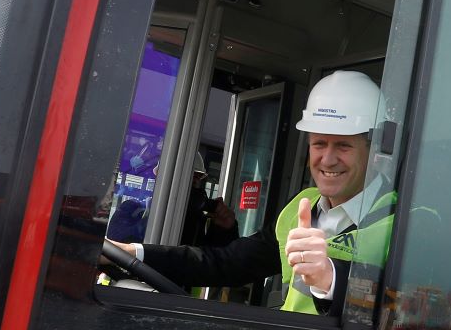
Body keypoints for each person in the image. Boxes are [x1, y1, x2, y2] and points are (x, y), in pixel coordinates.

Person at [107, 71, 393, 315]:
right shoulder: (300, 206)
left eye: (343, 146)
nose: (327, 160)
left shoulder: (407, 221)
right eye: (319, 144)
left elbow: (407, 305)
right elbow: (227, 264)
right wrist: (131, 253)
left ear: (375, 149)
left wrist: (330, 278)